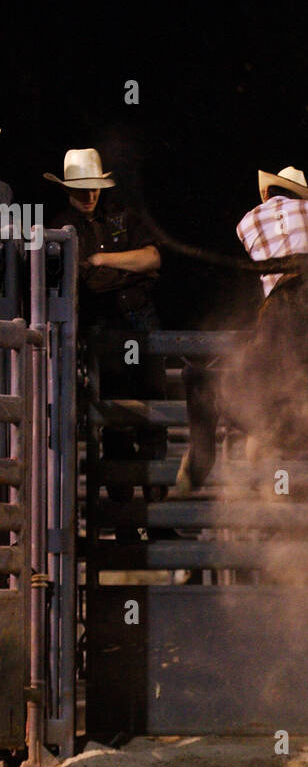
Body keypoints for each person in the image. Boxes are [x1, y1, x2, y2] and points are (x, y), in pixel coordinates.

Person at [178, 166, 308, 491]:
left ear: (265, 194)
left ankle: (202, 453)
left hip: (280, 314)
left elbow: (282, 250)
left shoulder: (247, 223)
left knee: (202, 377)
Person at [45, 148, 167, 527]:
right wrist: (123, 266)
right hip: (105, 327)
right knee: (115, 423)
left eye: (93, 188)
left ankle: (155, 517)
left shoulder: (120, 215)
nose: (89, 195)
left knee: (153, 416)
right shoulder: (61, 226)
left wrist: (101, 262)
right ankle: (128, 522)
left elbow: (152, 258)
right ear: (69, 190)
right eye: (82, 189)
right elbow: (139, 262)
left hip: (134, 319)